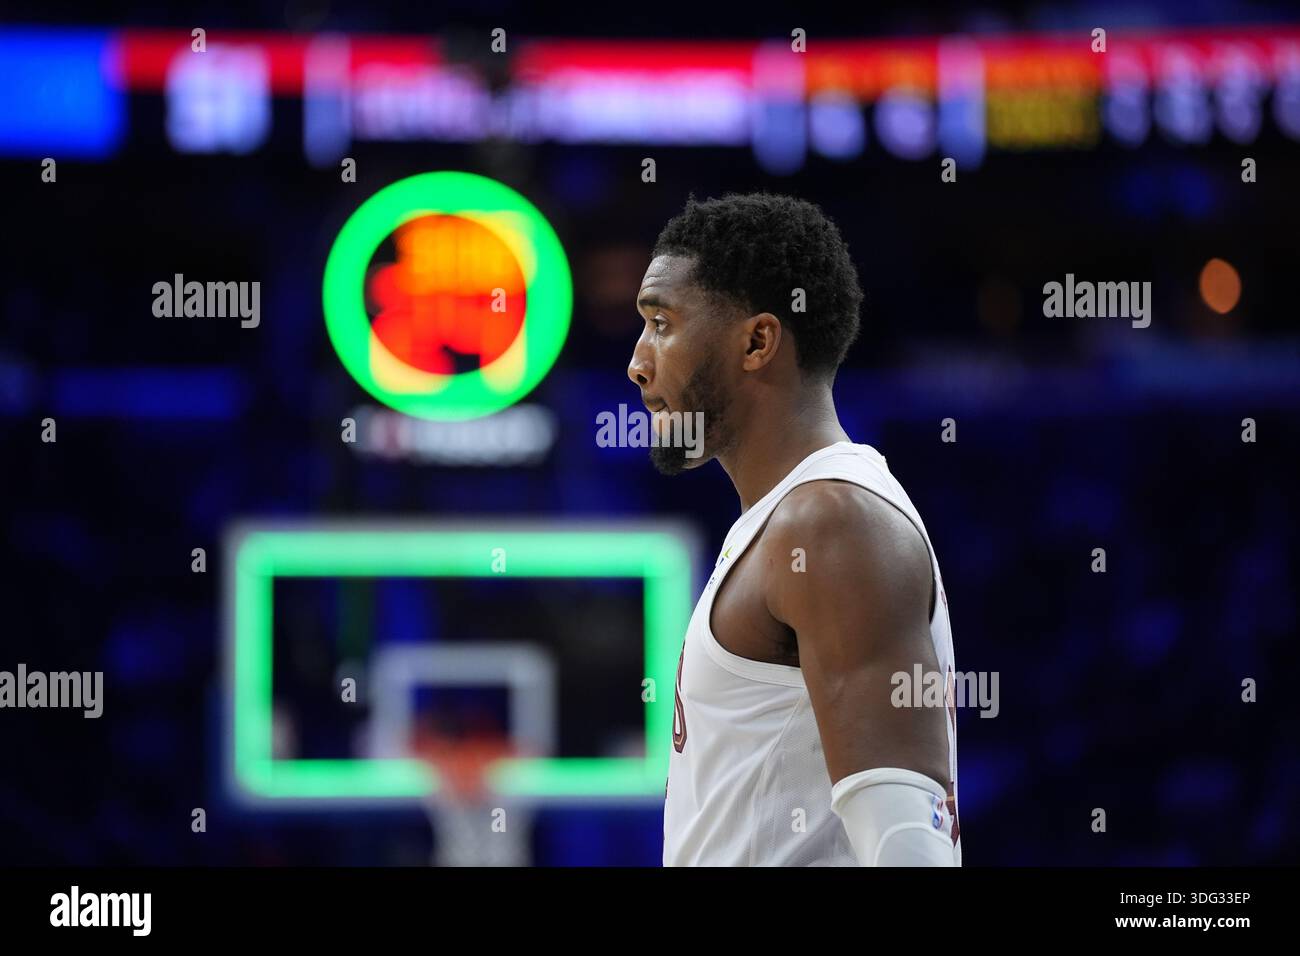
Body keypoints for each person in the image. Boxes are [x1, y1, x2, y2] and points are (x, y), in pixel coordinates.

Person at [629, 193, 961, 866]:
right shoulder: (780, 521)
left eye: (662, 324)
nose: (637, 362)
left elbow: (908, 845)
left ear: (757, 341)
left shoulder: (833, 523)